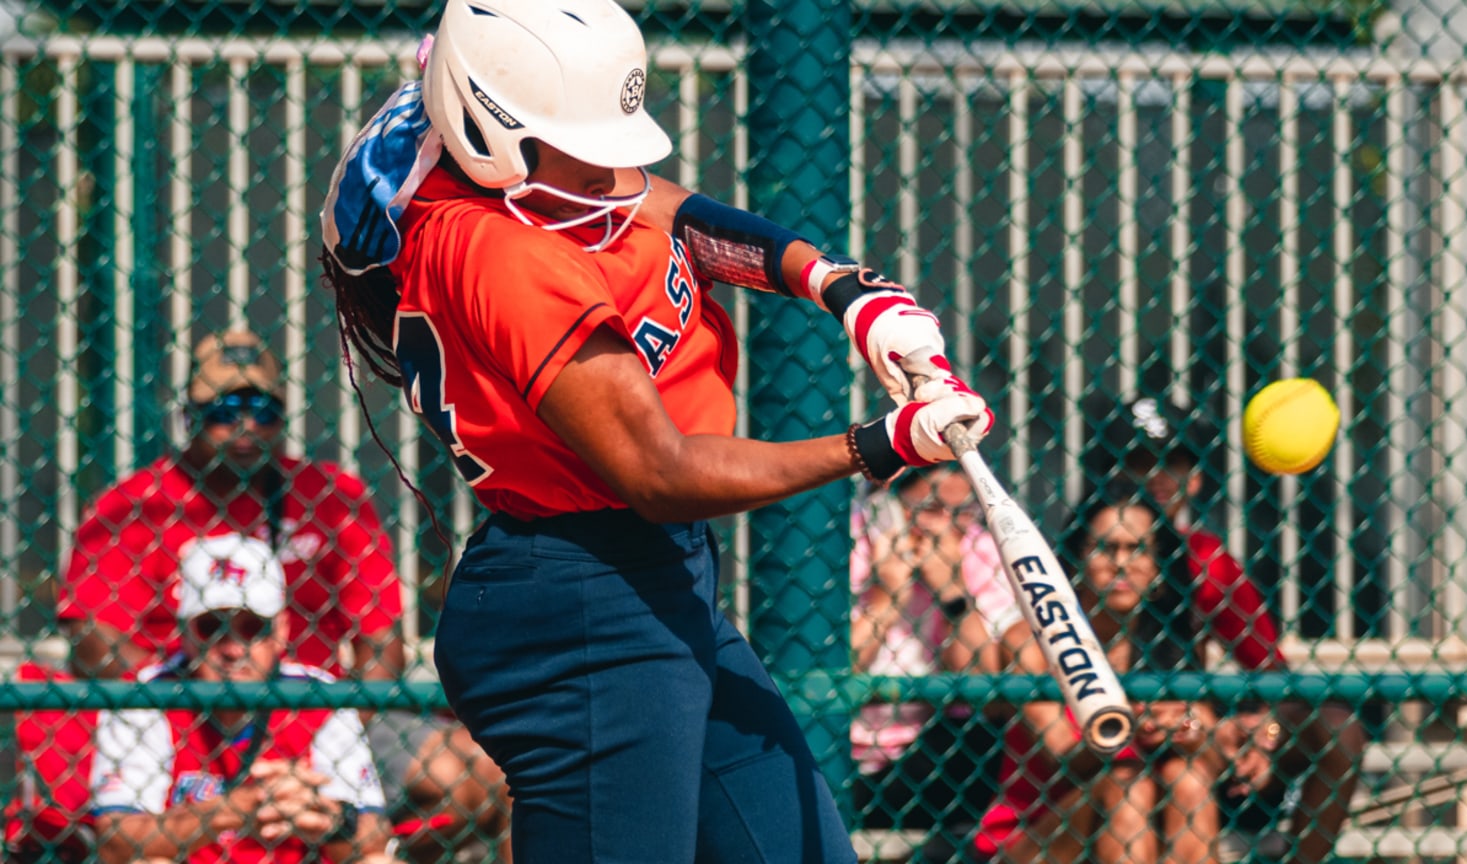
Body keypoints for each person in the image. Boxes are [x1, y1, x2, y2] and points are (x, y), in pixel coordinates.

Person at [317, 0, 994, 861]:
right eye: (587, 149)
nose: (613, 174)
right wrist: (882, 444)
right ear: (491, 130)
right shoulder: (501, 252)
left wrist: (844, 290)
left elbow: (673, 213)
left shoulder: (538, 184)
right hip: (581, 608)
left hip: (655, 585)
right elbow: (660, 470)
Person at [51, 329, 510, 860]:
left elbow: (382, 646)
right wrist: (195, 705)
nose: (245, 425)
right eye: (225, 409)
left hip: (323, 710)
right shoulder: (136, 505)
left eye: (263, 409)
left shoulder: (333, 496)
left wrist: (317, 732)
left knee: (485, 774)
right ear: (189, 417)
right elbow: (93, 640)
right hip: (178, 716)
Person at [1091, 395, 1366, 864]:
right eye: (1138, 461)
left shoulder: (1205, 559)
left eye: (1172, 462)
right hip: (1100, 736)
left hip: (1190, 730)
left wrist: (1267, 728)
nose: (1156, 474)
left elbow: (1270, 672)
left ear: (1195, 480)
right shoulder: (1077, 554)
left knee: (1340, 729)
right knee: (1167, 777)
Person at [88, 533, 391, 863]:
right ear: (185, 634)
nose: (233, 649)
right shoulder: (146, 696)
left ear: (281, 631)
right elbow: (115, 842)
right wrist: (240, 807)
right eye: (212, 627)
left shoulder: (316, 695)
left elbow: (374, 838)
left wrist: (328, 818)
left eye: (252, 627)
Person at [975, 483, 1219, 864]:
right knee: (1127, 782)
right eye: (1106, 548)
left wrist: (1188, 731)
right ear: (1076, 561)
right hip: (1039, 830)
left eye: (1137, 549)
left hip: (1147, 831)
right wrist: (1127, 728)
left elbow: (1213, 746)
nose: (1122, 563)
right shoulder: (1033, 640)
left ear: (1157, 569)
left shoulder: (1175, 643)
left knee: (1189, 777)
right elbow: (1060, 757)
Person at [850, 466, 1020, 833]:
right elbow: (840, 664)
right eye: (930, 508)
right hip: (842, 748)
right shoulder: (854, 541)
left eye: (962, 512)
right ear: (888, 505)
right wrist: (887, 598)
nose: (946, 526)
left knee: (980, 736)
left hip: (924, 750)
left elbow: (983, 688)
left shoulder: (978, 547)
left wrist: (952, 592)